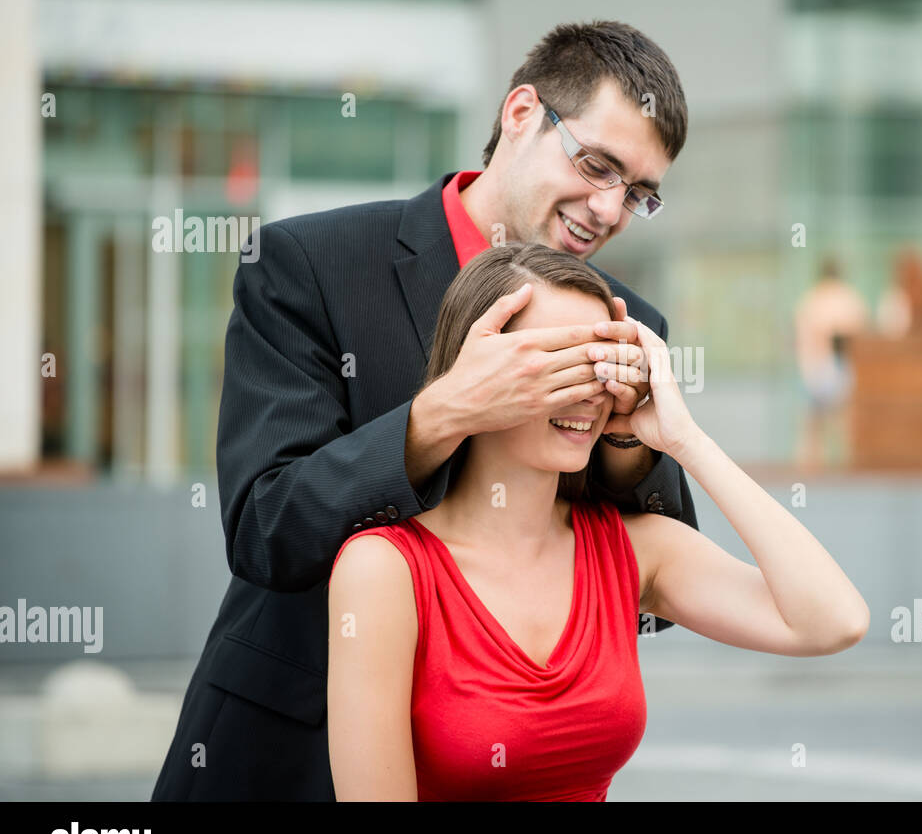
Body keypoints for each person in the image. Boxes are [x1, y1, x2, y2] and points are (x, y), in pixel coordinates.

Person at [153, 21, 698, 800]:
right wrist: (443, 414)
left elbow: (649, 590)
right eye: (597, 164)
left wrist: (622, 434)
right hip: (285, 757)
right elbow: (265, 526)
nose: (610, 209)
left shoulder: (625, 316)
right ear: (519, 114)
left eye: (639, 194)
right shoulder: (309, 265)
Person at [327, 243, 869, 801]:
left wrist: (686, 441)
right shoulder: (385, 569)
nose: (589, 390)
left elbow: (833, 621)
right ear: (478, 372)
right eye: (558, 363)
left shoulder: (633, 549)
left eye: (601, 361)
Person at [793, 258, 869, 470]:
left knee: (812, 429)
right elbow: (859, 333)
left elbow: (801, 338)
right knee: (841, 425)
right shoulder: (848, 299)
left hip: (813, 370)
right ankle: (845, 465)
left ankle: (811, 467)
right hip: (838, 370)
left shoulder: (811, 299)